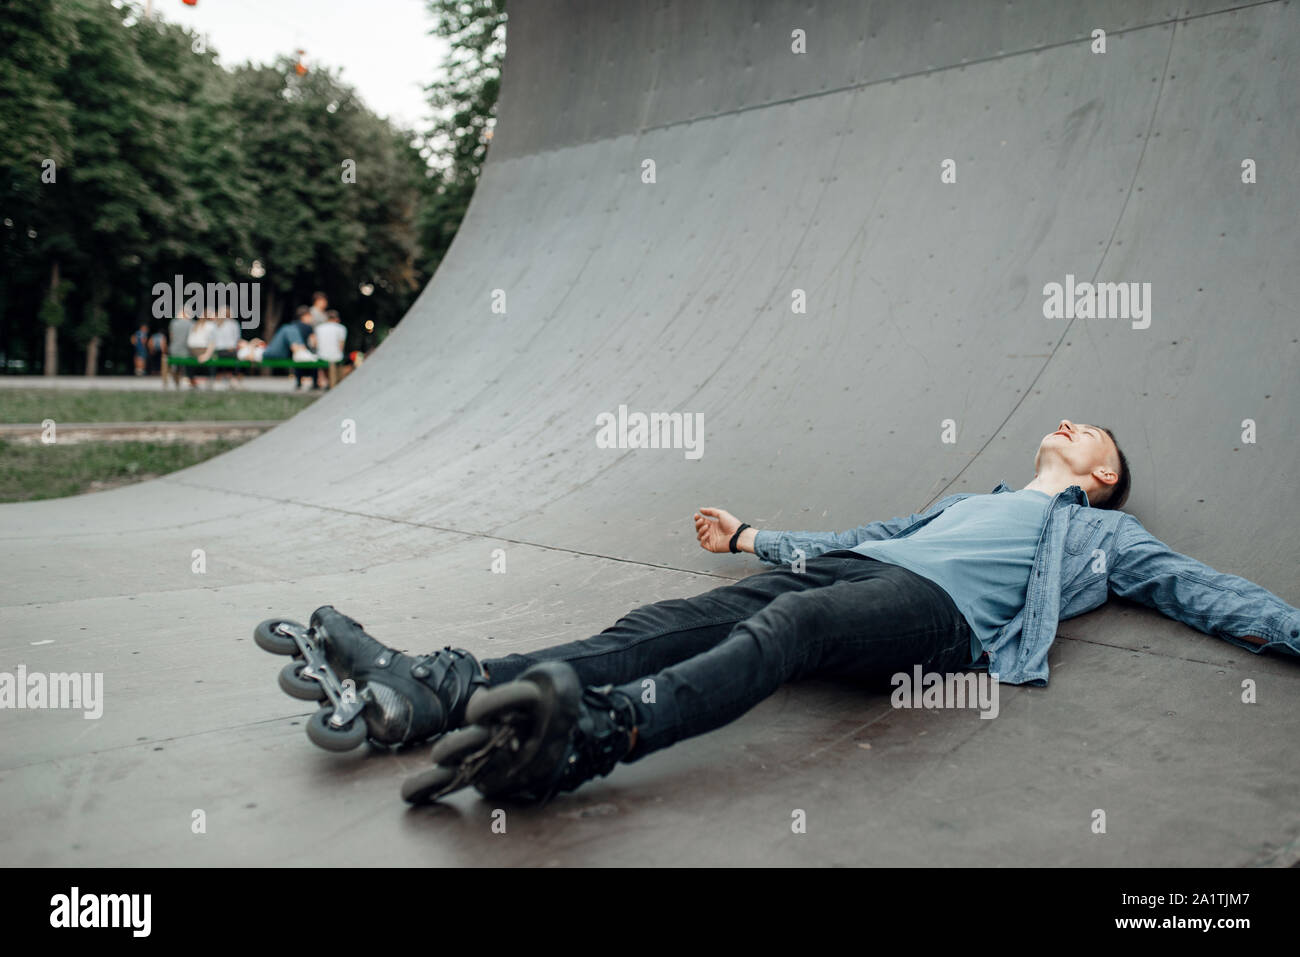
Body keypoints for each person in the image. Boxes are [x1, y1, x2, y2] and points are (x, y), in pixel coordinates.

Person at [273, 418, 1300, 806]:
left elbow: (1209, 594)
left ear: (1103, 471)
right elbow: (867, 528)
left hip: (937, 620)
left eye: (1088, 430)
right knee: (658, 626)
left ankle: (600, 735)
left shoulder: (1103, 536)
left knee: (790, 637)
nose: (1067, 423)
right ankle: (436, 688)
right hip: (862, 568)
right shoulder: (973, 502)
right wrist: (753, 538)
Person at [311, 308, 347, 389]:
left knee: (327, 362)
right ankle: (336, 385)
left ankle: (328, 383)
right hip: (336, 357)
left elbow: (315, 344)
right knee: (337, 361)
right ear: (337, 319)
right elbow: (341, 346)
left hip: (321, 355)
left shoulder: (319, 328)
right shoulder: (341, 328)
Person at [212, 308, 243, 389]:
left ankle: (230, 379)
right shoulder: (219, 324)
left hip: (225, 350)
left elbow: (236, 338)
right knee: (233, 357)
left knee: (233, 357)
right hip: (223, 350)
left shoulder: (231, 324)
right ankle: (231, 379)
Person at [167, 310, 197, 389]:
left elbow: (171, 337)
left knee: (176, 365)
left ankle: (176, 379)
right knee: (190, 362)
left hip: (174, 349)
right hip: (186, 350)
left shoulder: (173, 323)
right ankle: (191, 380)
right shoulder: (192, 323)